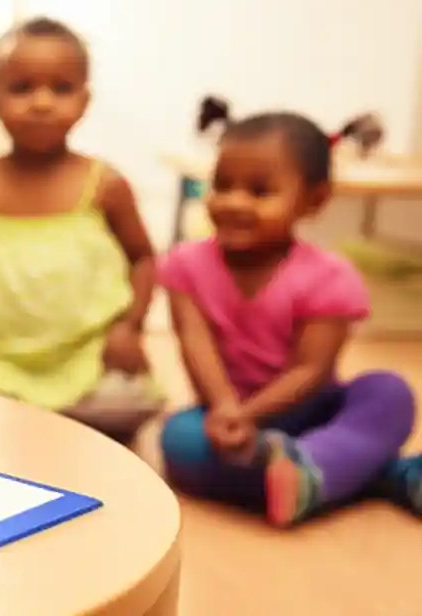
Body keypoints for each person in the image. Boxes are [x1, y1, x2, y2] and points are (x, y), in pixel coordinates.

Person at [159, 109, 422, 527]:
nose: (234, 202)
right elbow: (195, 343)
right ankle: (380, 475)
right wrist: (227, 408)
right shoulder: (184, 266)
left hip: (314, 411)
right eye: (222, 185)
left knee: (389, 392)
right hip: (226, 421)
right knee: (178, 439)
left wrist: (250, 415)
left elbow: (311, 371)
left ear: (314, 201)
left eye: (260, 191)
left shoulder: (330, 277)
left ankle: (313, 468)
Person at [0, 17, 164, 442]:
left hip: (88, 359)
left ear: (85, 100)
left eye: (61, 88)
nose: (42, 102)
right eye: (22, 88)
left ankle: (60, 428)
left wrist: (130, 327)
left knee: (128, 403)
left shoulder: (105, 186)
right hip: (0, 360)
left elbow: (144, 258)